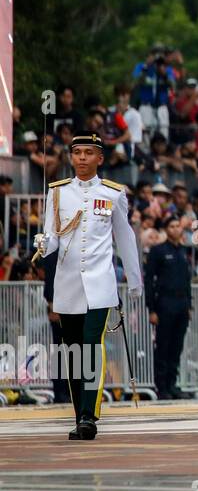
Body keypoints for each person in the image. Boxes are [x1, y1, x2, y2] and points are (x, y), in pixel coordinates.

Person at [36, 132, 143, 440]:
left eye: (88, 152)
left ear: (100, 158)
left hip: (100, 283)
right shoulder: (57, 193)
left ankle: (89, 415)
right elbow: (53, 236)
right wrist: (43, 244)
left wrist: (134, 281)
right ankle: (79, 410)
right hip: (68, 282)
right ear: (71, 157)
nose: (82, 158)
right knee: (72, 350)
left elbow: (125, 238)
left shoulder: (113, 193)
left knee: (91, 344)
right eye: (77, 152)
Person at [145, 215, 193, 399]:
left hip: (181, 303)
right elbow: (149, 280)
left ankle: (173, 384)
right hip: (164, 302)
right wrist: (152, 308)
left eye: (177, 226)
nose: (176, 229)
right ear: (166, 229)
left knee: (177, 346)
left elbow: (187, 280)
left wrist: (189, 305)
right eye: (172, 226)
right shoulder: (158, 251)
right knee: (163, 345)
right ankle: (162, 386)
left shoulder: (182, 251)